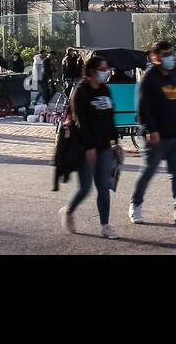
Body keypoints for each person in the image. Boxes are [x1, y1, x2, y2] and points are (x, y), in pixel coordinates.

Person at [128, 40, 176, 226]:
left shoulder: (173, 76)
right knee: (148, 171)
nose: (170, 57)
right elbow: (142, 107)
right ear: (155, 57)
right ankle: (135, 205)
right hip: (155, 136)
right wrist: (151, 129)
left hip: (174, 134)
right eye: (165, 54)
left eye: (171, 53)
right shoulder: (149, 78)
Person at [59, 55, 122, 239]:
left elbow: (110, 117)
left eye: (107, 69)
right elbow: (81, 121)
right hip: (85, 146)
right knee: (85, 187)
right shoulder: (81, 91)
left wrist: (115, 142)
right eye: (103, 69)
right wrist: (88, 147)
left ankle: (105, 225)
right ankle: (68, 210)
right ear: (92, 71)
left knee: (103, 186)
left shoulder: (105, 90)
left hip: (104, 147)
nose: (107, 72)